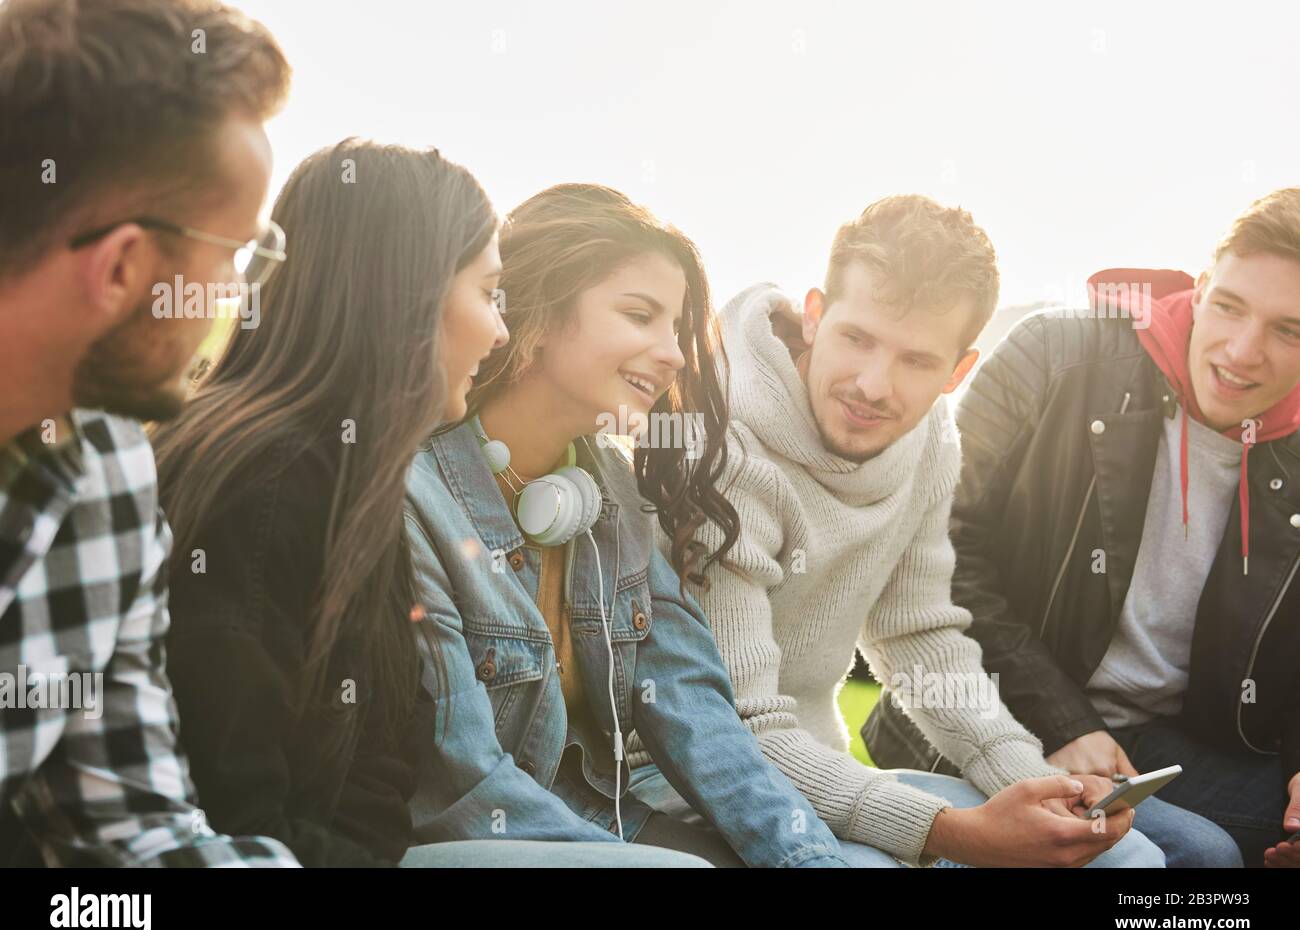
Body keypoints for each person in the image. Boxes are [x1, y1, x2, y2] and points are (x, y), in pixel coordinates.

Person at [630, 194, 1237, 867]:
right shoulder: (719, 445)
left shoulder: (929, 437)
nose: (872, 385)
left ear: (958, 371)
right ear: (813, 315)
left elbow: (918, 636)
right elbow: (737, 729)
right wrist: (945, 828)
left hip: (825, 770)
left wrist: (1030, 781)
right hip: (691, 787)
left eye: (917, 361)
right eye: (856, 337)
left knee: (1130, 862)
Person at [154, 143, 705, 869]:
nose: (500, 330)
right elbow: (235, 803)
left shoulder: (357, 476)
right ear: (405, 293)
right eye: (486, 294)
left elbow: (374, 773)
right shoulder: (268, 483)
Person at [404, 183, 849, 867]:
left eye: (676, 328)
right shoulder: (418, 494)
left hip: (593, 817)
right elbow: (459, 783)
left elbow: (697, 712)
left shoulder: (610, 488)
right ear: (541, 310)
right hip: (461, 839)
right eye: (640, 315)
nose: (672, 354)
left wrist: (812, 861)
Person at [865, 188, 1300, 868]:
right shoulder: (1054, 351)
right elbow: (938, 544)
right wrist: (1062, 721)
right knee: (1202, 857)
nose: (1243, 351)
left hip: (1151, 738)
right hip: (980, 703)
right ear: (1203, 284)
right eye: (1230, 306)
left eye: (1289, 330)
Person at [0, 0, 297, 865]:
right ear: (124, 266)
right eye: (235, 253)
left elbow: (129, 836)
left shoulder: (111, 471)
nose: (240, 295)